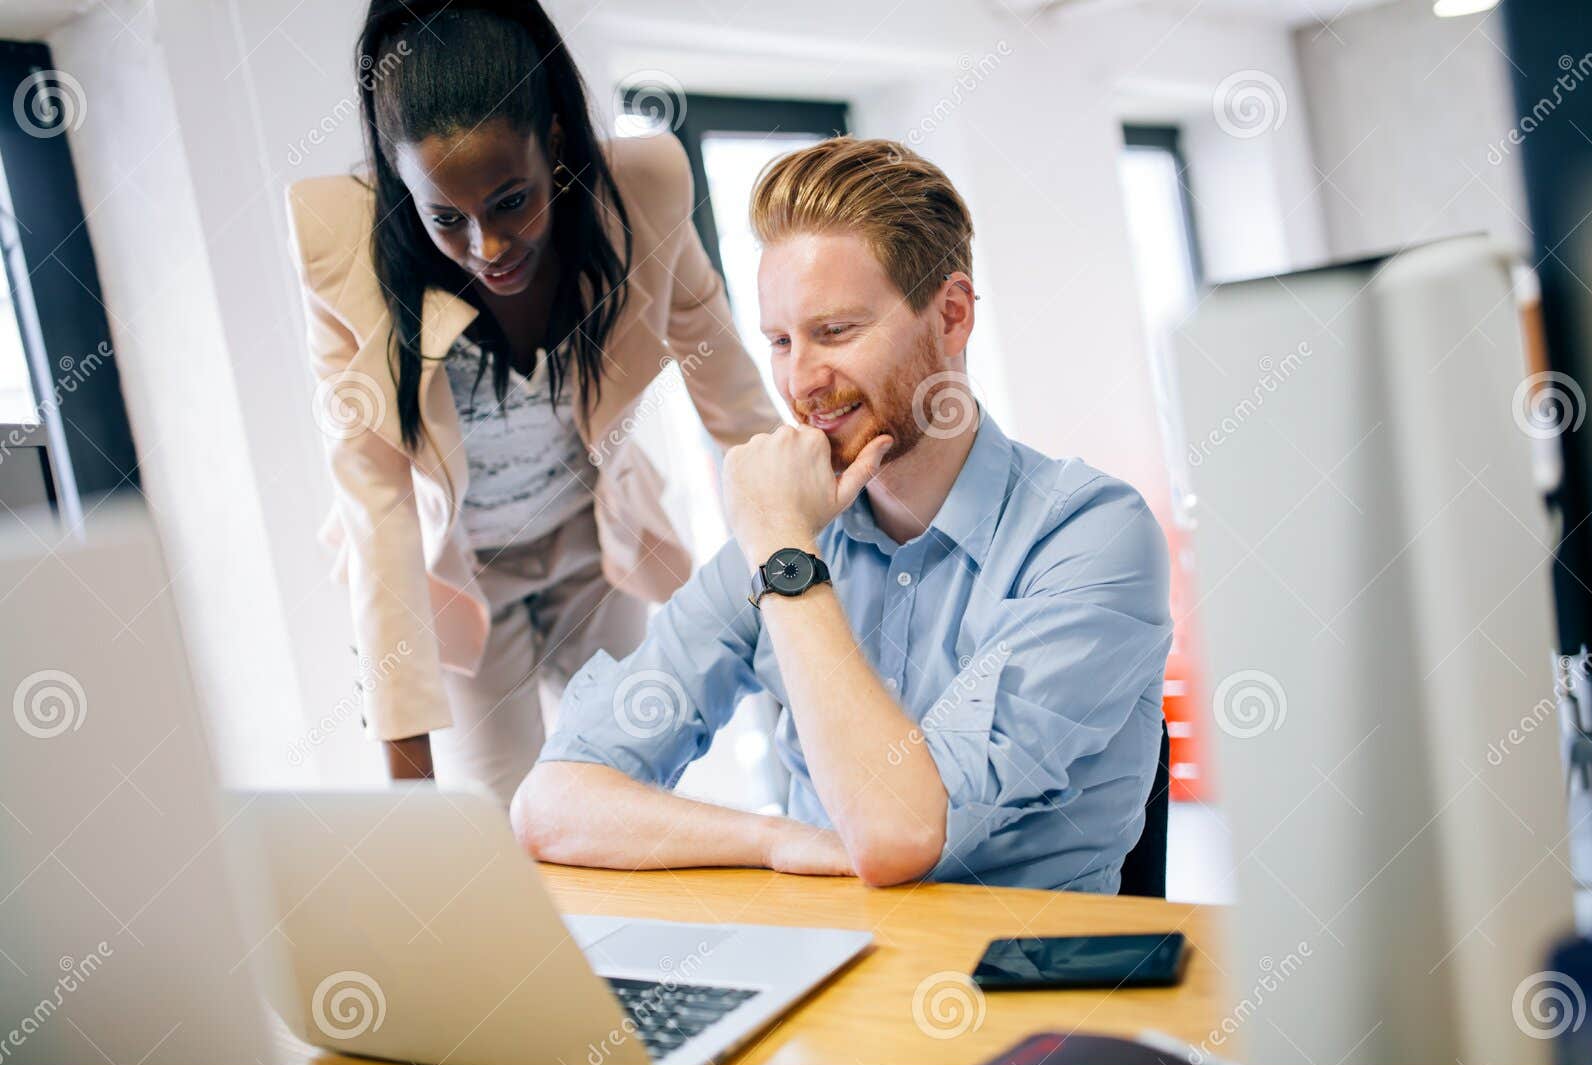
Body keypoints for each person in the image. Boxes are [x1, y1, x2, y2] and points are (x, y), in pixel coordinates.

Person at [511, 137, 1173, 891]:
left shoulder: (1089, 538)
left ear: (951, 315)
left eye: (835, 332)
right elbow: (550, 804)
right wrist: (774, 840)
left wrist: (787, 555)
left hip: (1024, 987)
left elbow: (896, 833)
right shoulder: (785, 531)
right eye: (781, 341)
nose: (802, 382)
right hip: (830, 964)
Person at [286, 0, 776, 804]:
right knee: (507, 817)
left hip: (593, 539)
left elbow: (737, 405)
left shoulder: (642, 197)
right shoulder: (341, 251)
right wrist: (411, 792)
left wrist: (810, 572)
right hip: (465, 571)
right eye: (447, 218)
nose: (489, 247)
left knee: (627, 783)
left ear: (552, 142)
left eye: (511, 200)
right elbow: (378, 508)